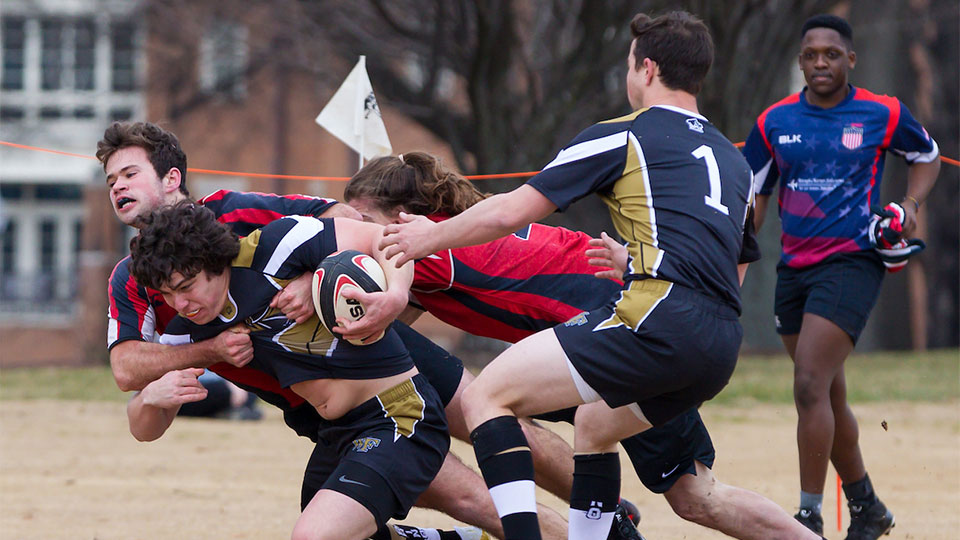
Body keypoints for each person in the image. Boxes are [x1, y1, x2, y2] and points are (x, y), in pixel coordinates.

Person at [380, 11, 765, 540]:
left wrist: (427, 237)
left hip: (658, 319)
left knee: (485, 397)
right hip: (721, 340)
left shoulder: (625, 136)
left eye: (629, 66)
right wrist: (641, 268)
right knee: (598, 427)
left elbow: (508, 212)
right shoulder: (734, 161)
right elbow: (734, 263)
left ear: (646, 68)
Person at [97, 121, 574, 539]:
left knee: (492, 422)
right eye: (110, 179)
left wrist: (314, 279)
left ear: (171, 177)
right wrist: (210, 353)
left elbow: (350, 222)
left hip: (376, 350)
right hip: (320, 408)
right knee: (465, 499)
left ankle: (600, 513)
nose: (117, 186)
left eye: (129, 173)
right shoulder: (140, 282)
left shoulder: (242, 215)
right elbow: (127, 369)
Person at [347, 151, 819, 540]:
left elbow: (370, 275)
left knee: (696, 497)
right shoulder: (455, 232)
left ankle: (599, 523)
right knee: (681, 485)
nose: (354, 232)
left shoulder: (427, 249)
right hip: (620, 327)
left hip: (625, 331)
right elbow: (398, 324)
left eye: (360, 219)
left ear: (405, 218)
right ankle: (606, 518)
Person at [127, 201, 450, 540]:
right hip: (339, 435)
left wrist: (396, 296)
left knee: (314, 536)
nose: (180, 305)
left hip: (400, 412)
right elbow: (145, 429)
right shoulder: (189, 333)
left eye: (186, 287)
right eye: (167, 294)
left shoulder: (277, 246)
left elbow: (386, 239)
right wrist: (150, 399)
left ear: (214, 260)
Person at [741, 14, 940, 540]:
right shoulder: (772, 123)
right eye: (811, 55)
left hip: (854, 261)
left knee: (808, 383)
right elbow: (755, 201)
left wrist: (910, 203)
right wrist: (733, 238)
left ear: (850, 59)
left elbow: (928, 156)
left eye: (831, 54)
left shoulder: (881, 112)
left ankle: (807, 517)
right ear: (800, 62)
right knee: (826, 395)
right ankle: (868, 507)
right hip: (794, 268)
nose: (821, 63)